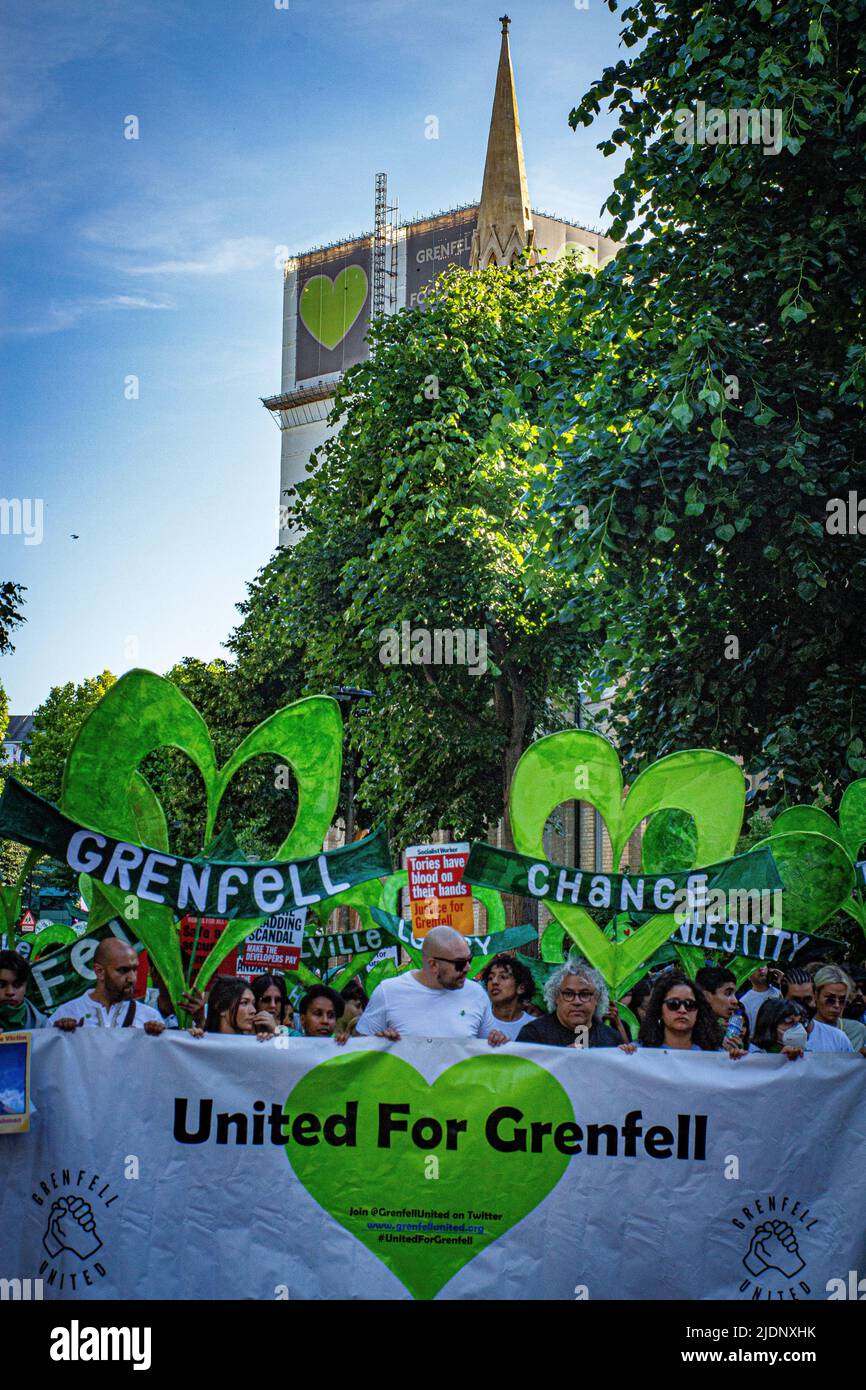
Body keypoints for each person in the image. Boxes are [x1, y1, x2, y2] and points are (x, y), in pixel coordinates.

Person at [354, 926, 507, 1044]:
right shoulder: (388, 992)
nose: (468, 968)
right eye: (460, 964)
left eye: (469, 960)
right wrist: (377, 1043)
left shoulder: (476, 994)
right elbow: (358, 1050)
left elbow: (490, 1052)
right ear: (433, 965)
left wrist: (499, 1040)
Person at [51, 940, 165, 1033]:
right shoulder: (68, 1013)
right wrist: (59, 1035)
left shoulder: (150, 1017)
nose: (132, 979)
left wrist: (154, 1040)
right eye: (123, 970)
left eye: (134, 969)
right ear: (99, 971)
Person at [516, 956, 620, 1047]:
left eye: (585, 994)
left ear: (597, 998)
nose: (577, 1001)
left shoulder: (612, 1039)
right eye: (569, 994)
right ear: (556, 997)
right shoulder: (533, 1035)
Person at [621, 971, 721, 1051]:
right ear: (659, 1009)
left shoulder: (713, 1055)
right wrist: (623, 1055)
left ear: (698, 1011)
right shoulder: (640, 1051)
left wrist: (734, 1061)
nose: (682, 1010)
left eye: (690, 1004)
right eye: (673, 1004)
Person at [479, 953, 536, 1040]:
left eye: (503, 977)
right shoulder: (477, 1023)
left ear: (521, 988)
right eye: (490, 978)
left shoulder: (535, 1027)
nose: (494, 982)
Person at [200, 977, 275, 1038]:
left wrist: (276, 1032)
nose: (253, 1010)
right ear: (221, 1008)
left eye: (253, 1004)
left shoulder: (258, 1042)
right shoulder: (200, 1040)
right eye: (244, 1003)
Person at [810, 966, 857, 1052]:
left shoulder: (855, 1030)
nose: (837, 1005)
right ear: (815, 995)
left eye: (842, 1000)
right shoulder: (804, 1029)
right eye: (830, 999)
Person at [0, 949, 49, 1031]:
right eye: (1, 985)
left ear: (26, 987)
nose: (10, 992)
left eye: (18, 985)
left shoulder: (45, 1025)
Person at [737, 965, 782, 1034]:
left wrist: (783, 983)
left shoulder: (780, 992)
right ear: (748, 975)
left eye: (763, 965)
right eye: (756, 967)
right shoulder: (744, 1001)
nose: (761, 969)